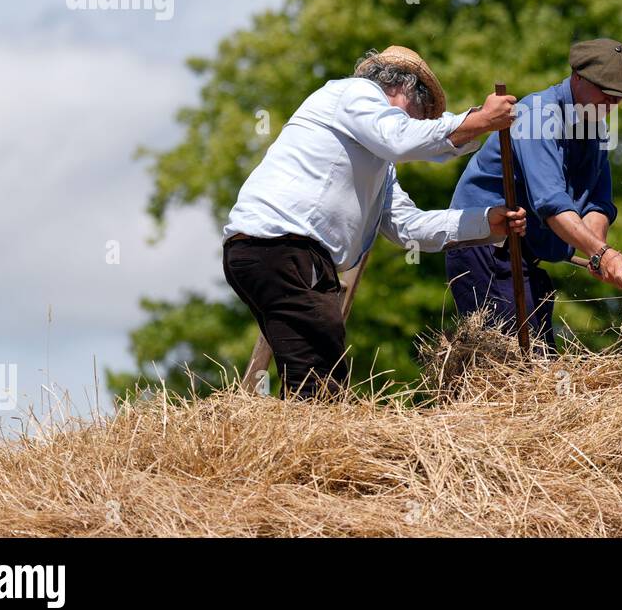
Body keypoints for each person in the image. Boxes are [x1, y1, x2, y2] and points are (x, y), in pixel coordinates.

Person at [222, 46, 526, 397]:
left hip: (275, 251)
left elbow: (407, 227)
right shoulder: (354, 93)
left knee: (312, 365)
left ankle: (298, 444)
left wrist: (487, 222)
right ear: (404, 89)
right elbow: (399, 138)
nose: (417, 124)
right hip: (282, 248)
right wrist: (477, 121)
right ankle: (314, 446)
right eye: (420, 115)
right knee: (320, 373)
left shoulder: (379, 165)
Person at [446, 39, 622, 349]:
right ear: (578, 78)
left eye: (617, 101)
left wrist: (597, 250)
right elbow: (551, 203)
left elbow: (598, 203)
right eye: (605, 95)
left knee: (538, 361)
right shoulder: (536, 116)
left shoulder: (594, 127)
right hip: (484, 245)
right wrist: (601, 252)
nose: (609, 106)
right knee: (508, 363)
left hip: (523, 251)